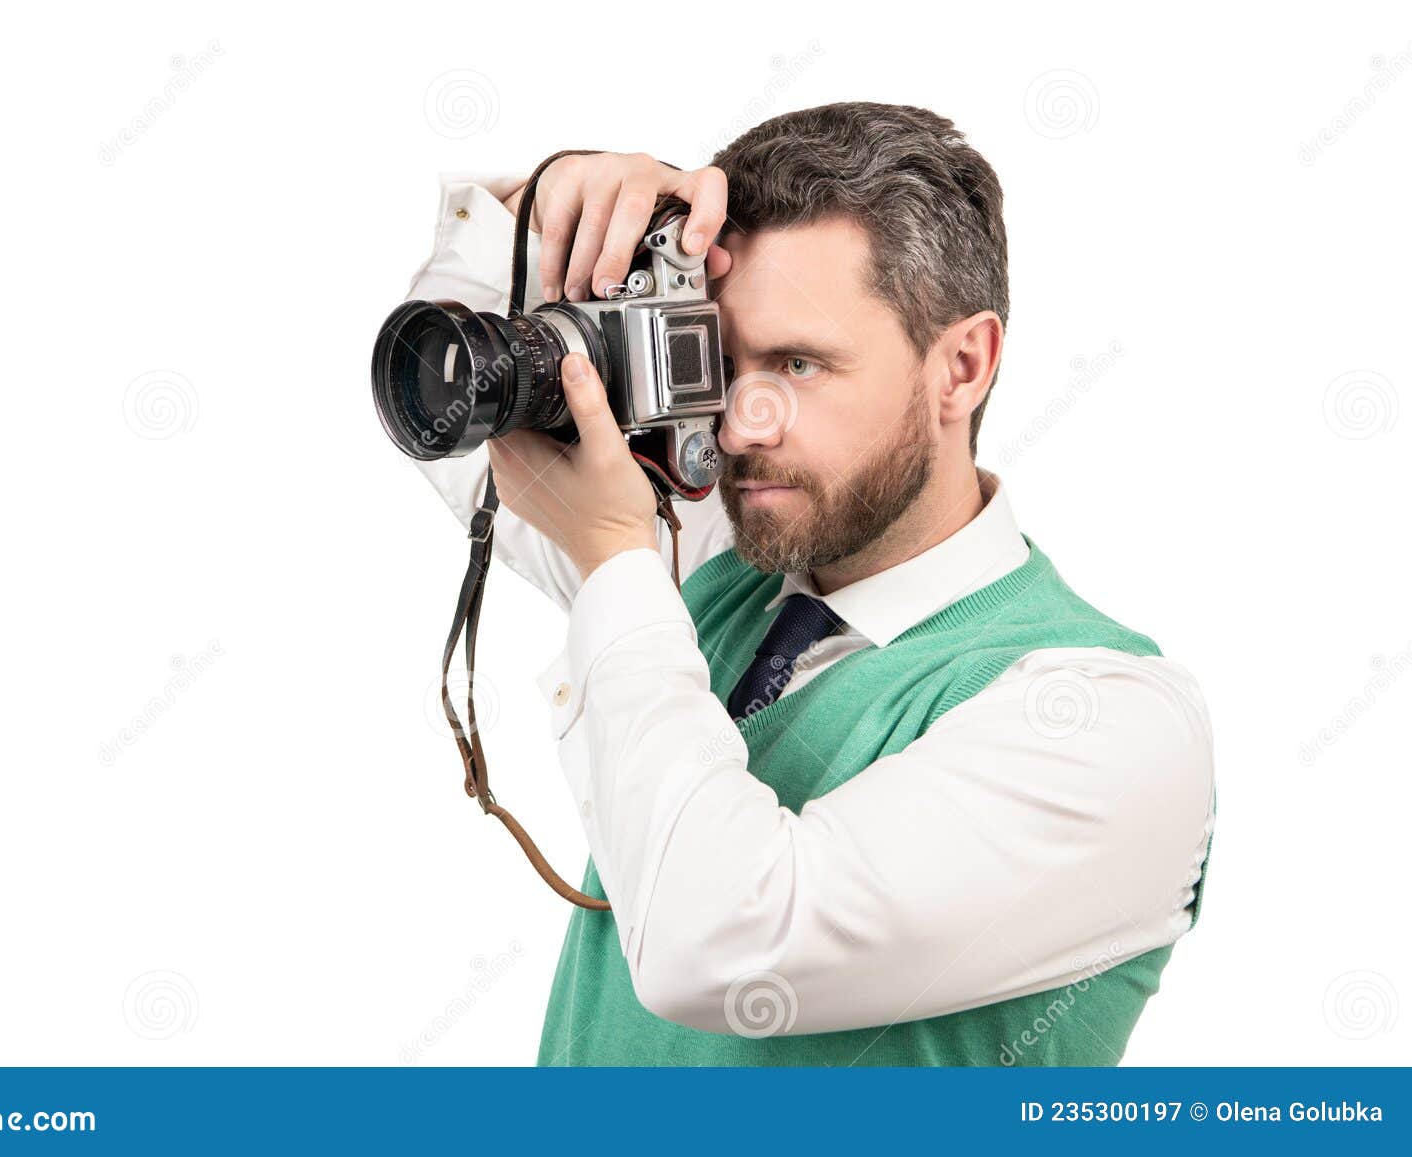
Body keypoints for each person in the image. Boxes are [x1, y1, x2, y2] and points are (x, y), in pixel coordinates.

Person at [399, 102, 1215, 1066]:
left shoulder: (1108, 720)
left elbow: (722, 946)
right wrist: (541, 213)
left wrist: (616, 557)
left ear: (962, 365)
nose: (739, 424)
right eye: (716, 361)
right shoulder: (730, 561)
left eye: (799, 363)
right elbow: (461, 424)